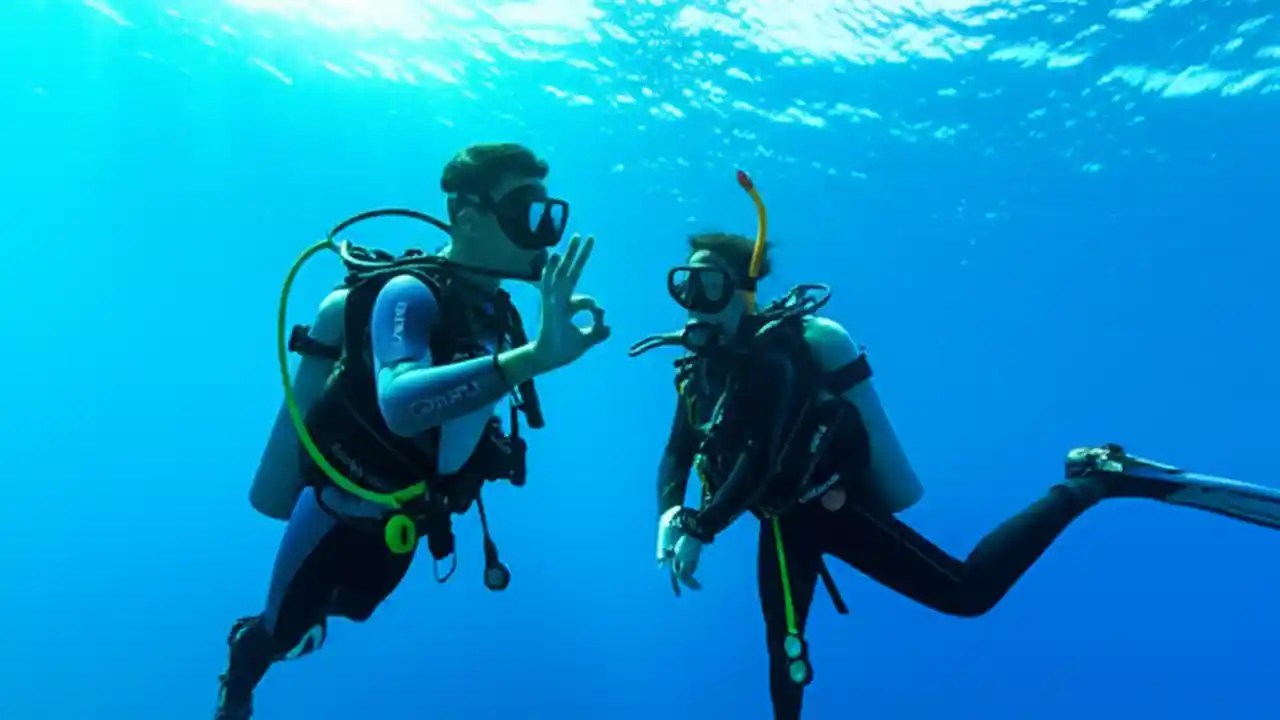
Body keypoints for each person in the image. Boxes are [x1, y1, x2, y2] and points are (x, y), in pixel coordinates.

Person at [632, 228, 1280, 720]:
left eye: (709, 286)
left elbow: (764, 456)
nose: (693, 301)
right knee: (784, 648)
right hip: (781, 523)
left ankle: (1093, 480)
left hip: (828, 506)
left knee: (967, 594)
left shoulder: (773, 362)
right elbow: (678, 449)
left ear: (742, 293)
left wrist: (701, 523)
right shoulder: (696, 370)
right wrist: (672, 510)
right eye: (683, 285)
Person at [216, 142, 611, 720]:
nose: (545, 234)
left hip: (411, 518)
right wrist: (533, 357)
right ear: (470, 221)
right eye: (528, 213)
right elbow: (400, 403)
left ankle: (310, 626)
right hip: (338, 514)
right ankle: (243, 671)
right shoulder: (409, 294)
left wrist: (528, 352)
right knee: (279, 631)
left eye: (551, 216)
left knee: (356, 607)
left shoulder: (496, 313)